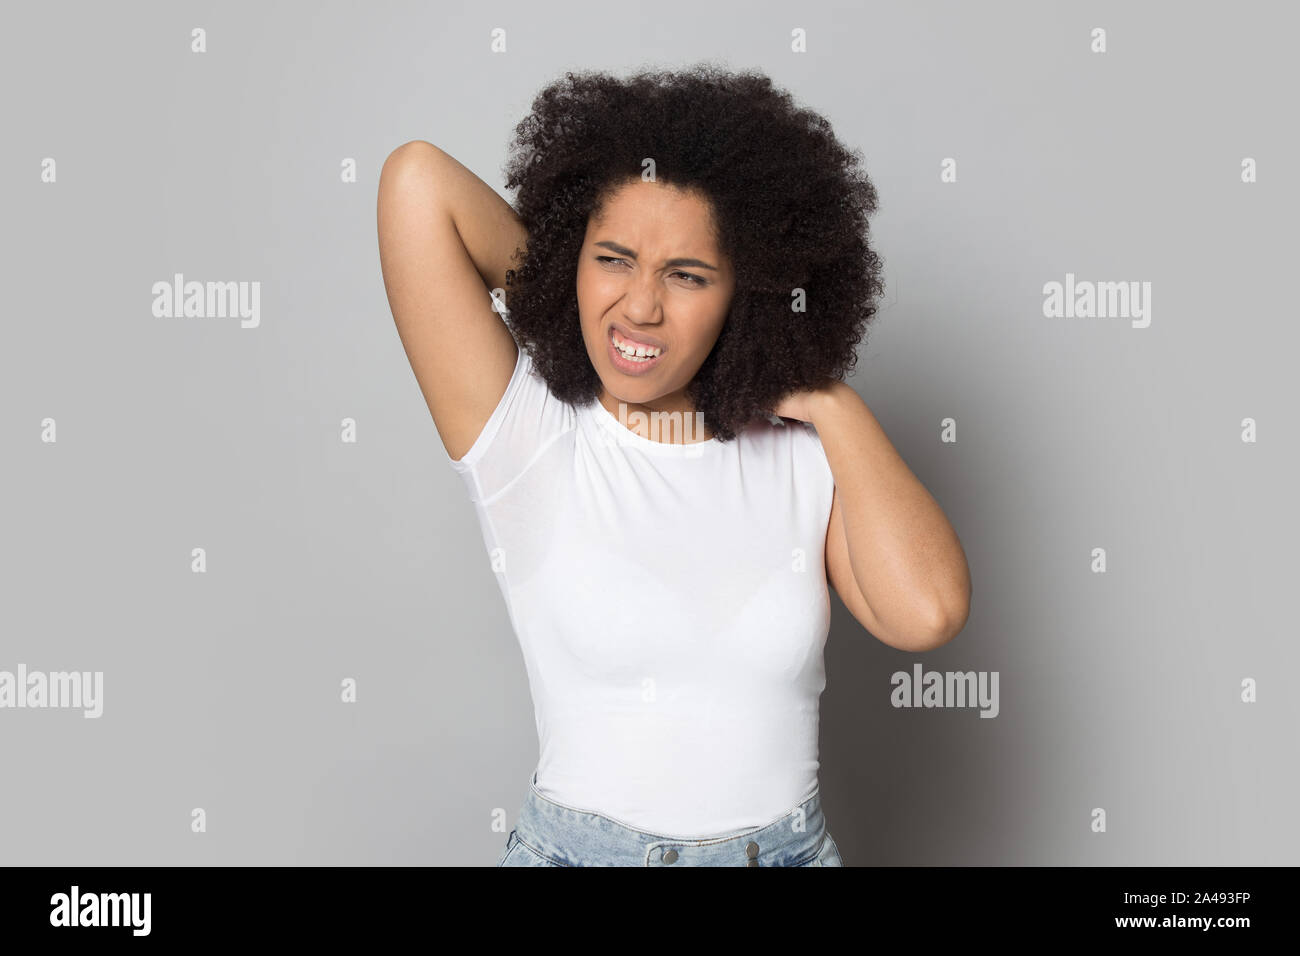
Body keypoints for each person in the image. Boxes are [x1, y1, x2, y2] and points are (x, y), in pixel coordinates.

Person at [377, 63, 971, 866]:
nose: (643, 305)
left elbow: (927, 613)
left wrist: (835, 405)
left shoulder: (804, 453)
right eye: (613, 259)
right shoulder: (532, 431)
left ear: (747, 295)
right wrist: (567, 291)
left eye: (687, 275)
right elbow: (418, 183)